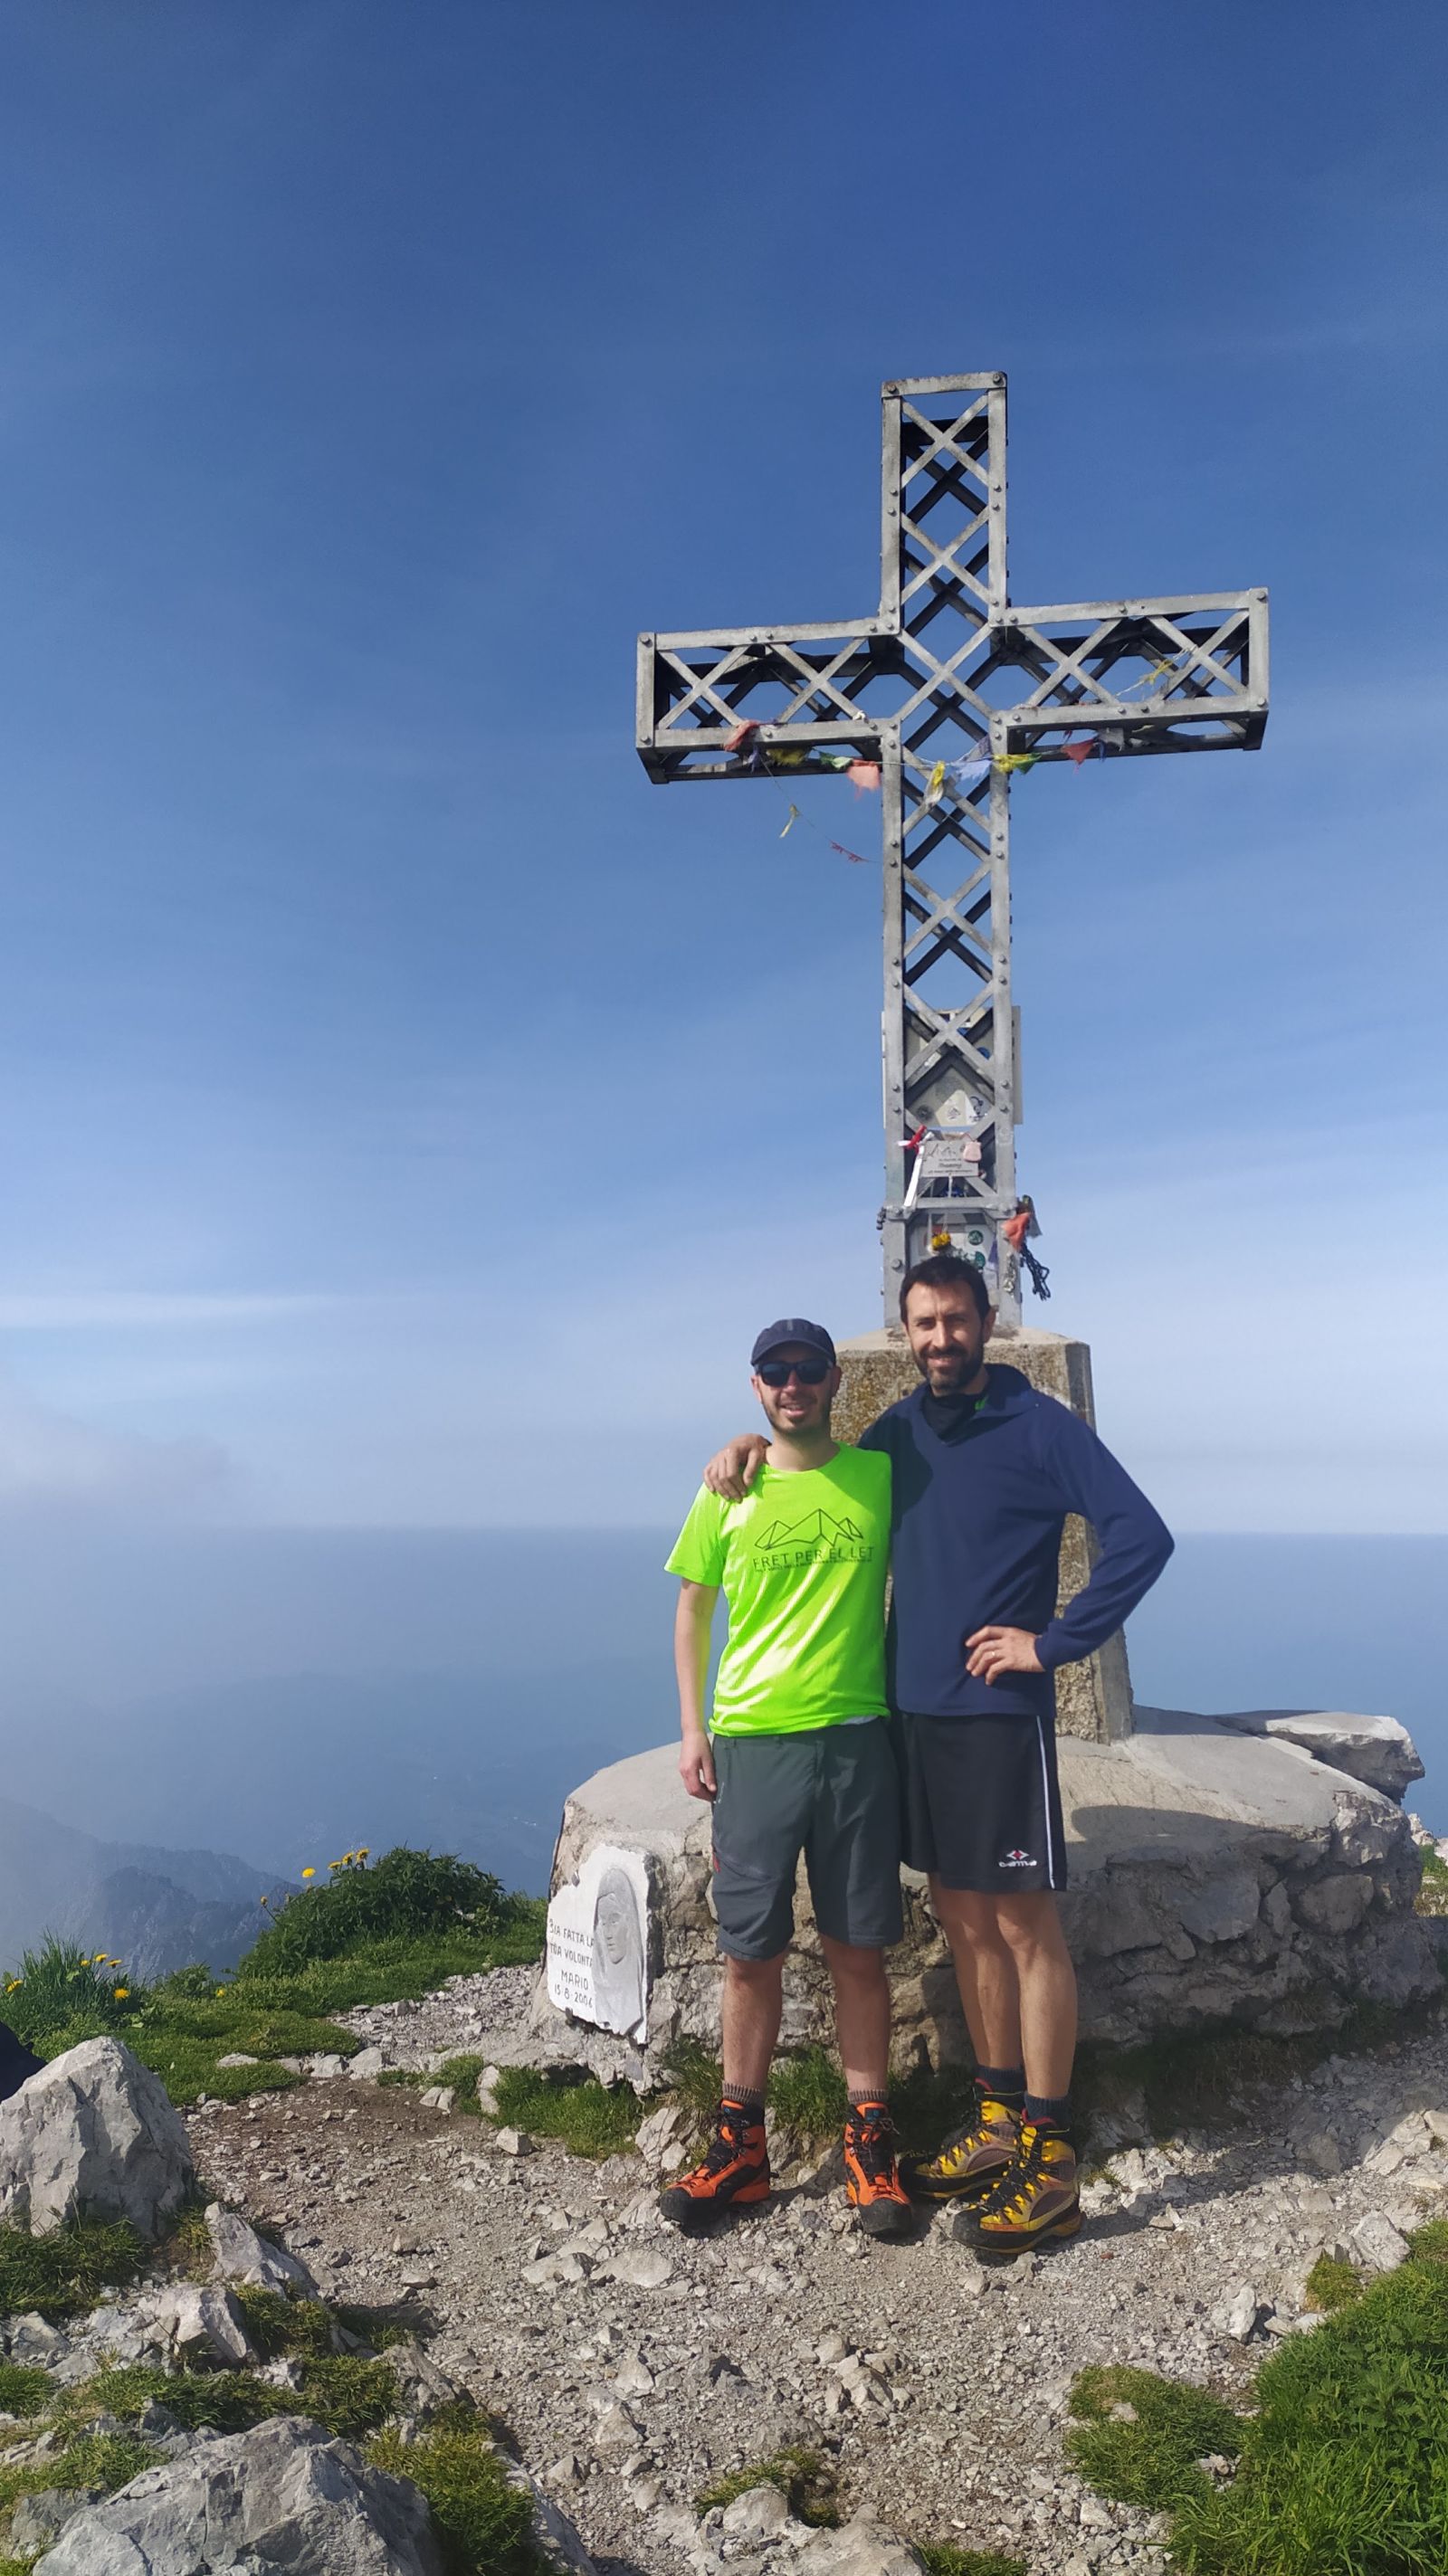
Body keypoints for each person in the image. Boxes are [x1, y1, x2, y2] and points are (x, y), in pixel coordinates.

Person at [704, 1254, 1173, 2252]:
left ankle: (1049, 2161)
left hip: (996, 1722)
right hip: (909, 1718)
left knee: (1021, 1926)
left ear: (987, 1322)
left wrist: (1051, 1643)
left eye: (954, 1322)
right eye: (921, 1325)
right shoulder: (896, 1437)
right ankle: (998, 2119)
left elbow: (1141, 1535)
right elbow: (812, 1459)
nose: (937, 1340)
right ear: (905, 1331)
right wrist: (744, 1444)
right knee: (961, 1917)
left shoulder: (1041, 1424)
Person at [661, 1317, 910, 2239]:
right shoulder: (728, 1490)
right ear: (756, 1385)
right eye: (777, 1372)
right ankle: (741, 2148)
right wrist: (693, 1729)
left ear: (836, 1379)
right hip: (754, 1740)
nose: (794, 1384)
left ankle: (868, 2140)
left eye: (808, 1370)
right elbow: (692, 1613)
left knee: (858, 1949)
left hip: (854, 1740)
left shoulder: (880, 1476)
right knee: (749, 1953)